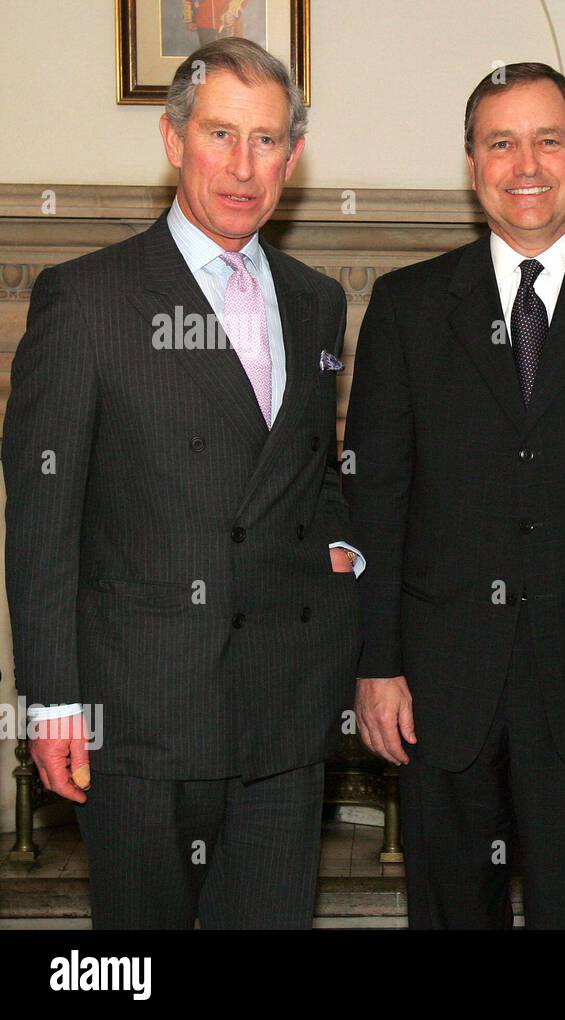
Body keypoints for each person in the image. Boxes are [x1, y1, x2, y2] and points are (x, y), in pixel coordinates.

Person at [3, 37, 362, 929]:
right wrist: (51, 702)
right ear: (173, 140)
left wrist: (342, 546)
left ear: (295, 155)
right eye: (220, 135)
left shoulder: (317, 299)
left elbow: (311, 468)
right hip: (143, 710)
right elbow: (41, 518)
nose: (244, 168)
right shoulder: (85, 299)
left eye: (268, 140)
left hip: (284, 708)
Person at [345, 62, 565, 930]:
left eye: (549, 139)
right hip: (438, 685)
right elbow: (376, 499)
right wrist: (375, 662)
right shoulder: (406, 307)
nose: (526, 163)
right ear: (472, 165)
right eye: (500, 142)